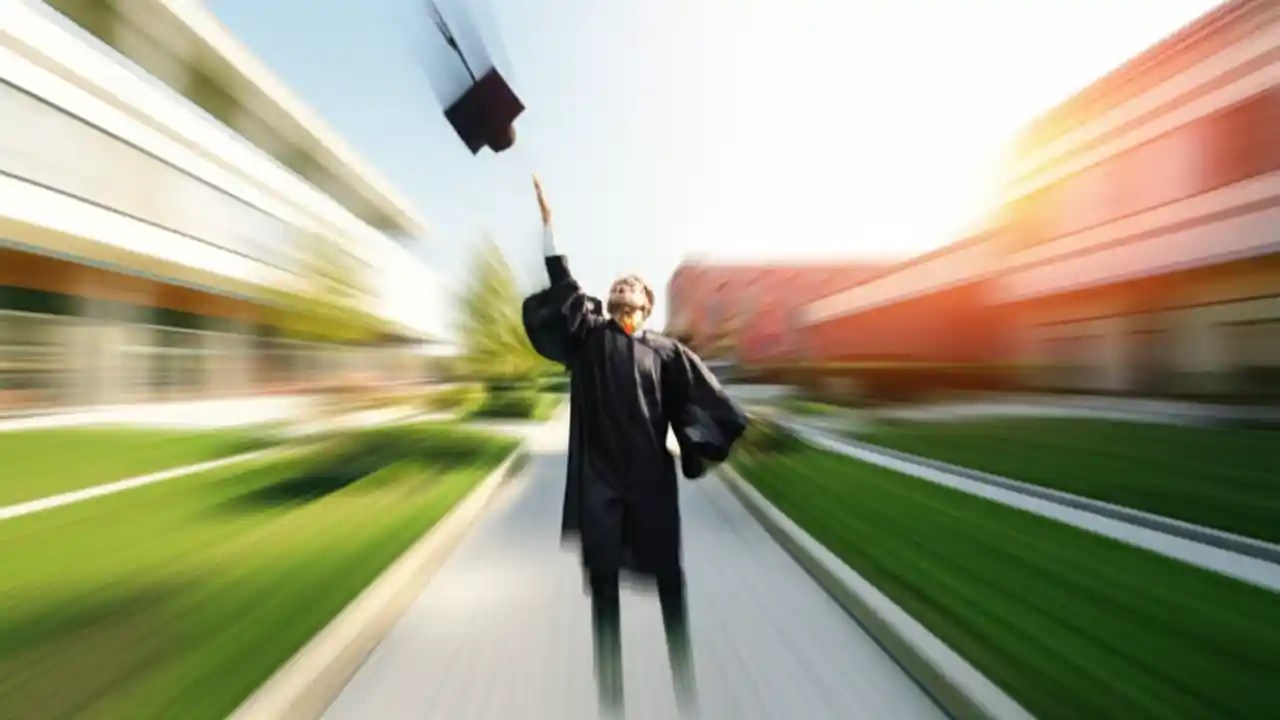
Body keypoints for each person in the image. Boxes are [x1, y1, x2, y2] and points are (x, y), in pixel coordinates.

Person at [522, 176, 748, 716]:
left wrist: (704, 440)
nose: (622, 285)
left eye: (633, 284)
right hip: (599, 478)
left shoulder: (666, 352)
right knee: (604, 584)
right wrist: (550, 227)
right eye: (617, 282)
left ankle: (684, 681)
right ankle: (612, 699)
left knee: (669, 577)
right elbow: (564, 283)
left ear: (646, 304)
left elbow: (701, 401)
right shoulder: (590, 337)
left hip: (649, 478)